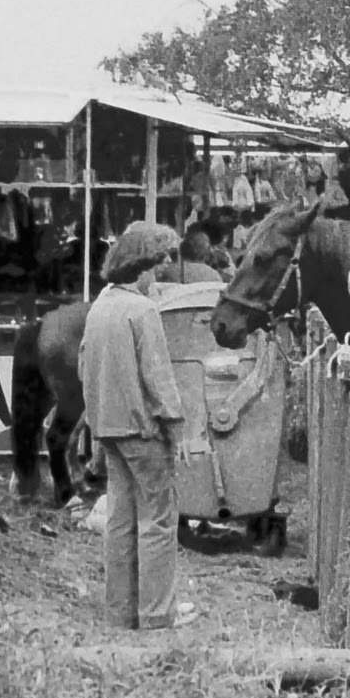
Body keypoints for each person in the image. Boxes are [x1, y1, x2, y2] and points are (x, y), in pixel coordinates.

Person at [80, 222, 198, 630]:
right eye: (160, 259)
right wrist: (177, 429)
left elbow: (83, 366)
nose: (164, 267)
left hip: (108, 429)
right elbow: (159, 379)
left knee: (120, 520)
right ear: (142, 266)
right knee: (159, 521)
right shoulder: (143, 310)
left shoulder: (101, 304)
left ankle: (121, 611)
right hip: (143, 430)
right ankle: (157, 612)